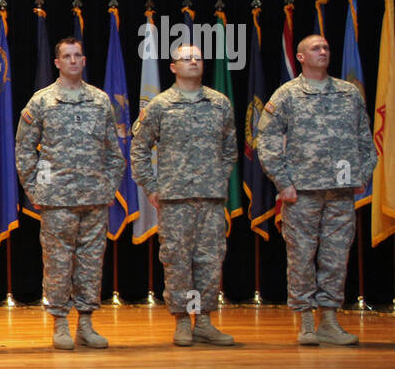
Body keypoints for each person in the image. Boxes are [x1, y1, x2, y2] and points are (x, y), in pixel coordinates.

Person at [257, 34, 377, 345]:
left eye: (326, 47)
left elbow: (366, 140)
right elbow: (267, 144)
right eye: (315, 48)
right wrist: (283, 183)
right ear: (300, 57)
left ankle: (330, 321)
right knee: (301, 257)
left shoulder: (349, 94)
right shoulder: (287, 95)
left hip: (341, 192)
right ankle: (306, 321)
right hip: (303, 193)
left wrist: (362, 175)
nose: (323, 51)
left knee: (336, 258)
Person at [15, 37, 125, 350]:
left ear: (84, 60)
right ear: (57, 62)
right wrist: (36, 187)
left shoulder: (100, 100)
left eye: (78, 55)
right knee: (58, 264)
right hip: (57, 200)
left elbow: (113, 150)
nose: (73, 60)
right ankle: (60, 323)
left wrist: (108, 187)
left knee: (91, 263)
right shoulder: (42, 101)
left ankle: (86, 324)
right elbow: (25, 148)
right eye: (67, 55)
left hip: (94, 198)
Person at [130, 44, 237, 346]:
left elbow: (230, 149)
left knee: (209, 260)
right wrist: (151, 186)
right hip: (175, 200)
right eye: (186, 58)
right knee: (177, 261)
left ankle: (203, 320)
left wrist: (218, 178)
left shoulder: (219, 104)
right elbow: (139, 148)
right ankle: (182, 321)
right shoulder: (161, 105)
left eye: (198, 58)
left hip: (211, 199)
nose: (193, 62)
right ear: (173, 67)